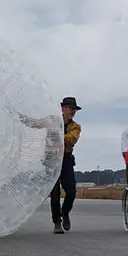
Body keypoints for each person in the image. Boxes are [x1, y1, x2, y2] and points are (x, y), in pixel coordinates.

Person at [49, 97, 82, 234]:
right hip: (51, 160)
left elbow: (72, 139)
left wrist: (56, 136)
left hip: (66, 160)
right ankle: (57, 221)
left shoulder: (76, 127)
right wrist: (22, 119)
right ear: (63, 109)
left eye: (74, 109)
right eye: (70, 108)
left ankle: (65, 211)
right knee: (55, 193)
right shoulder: (52, 121)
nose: (73, 111)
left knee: (71, 192)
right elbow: (36, 124)